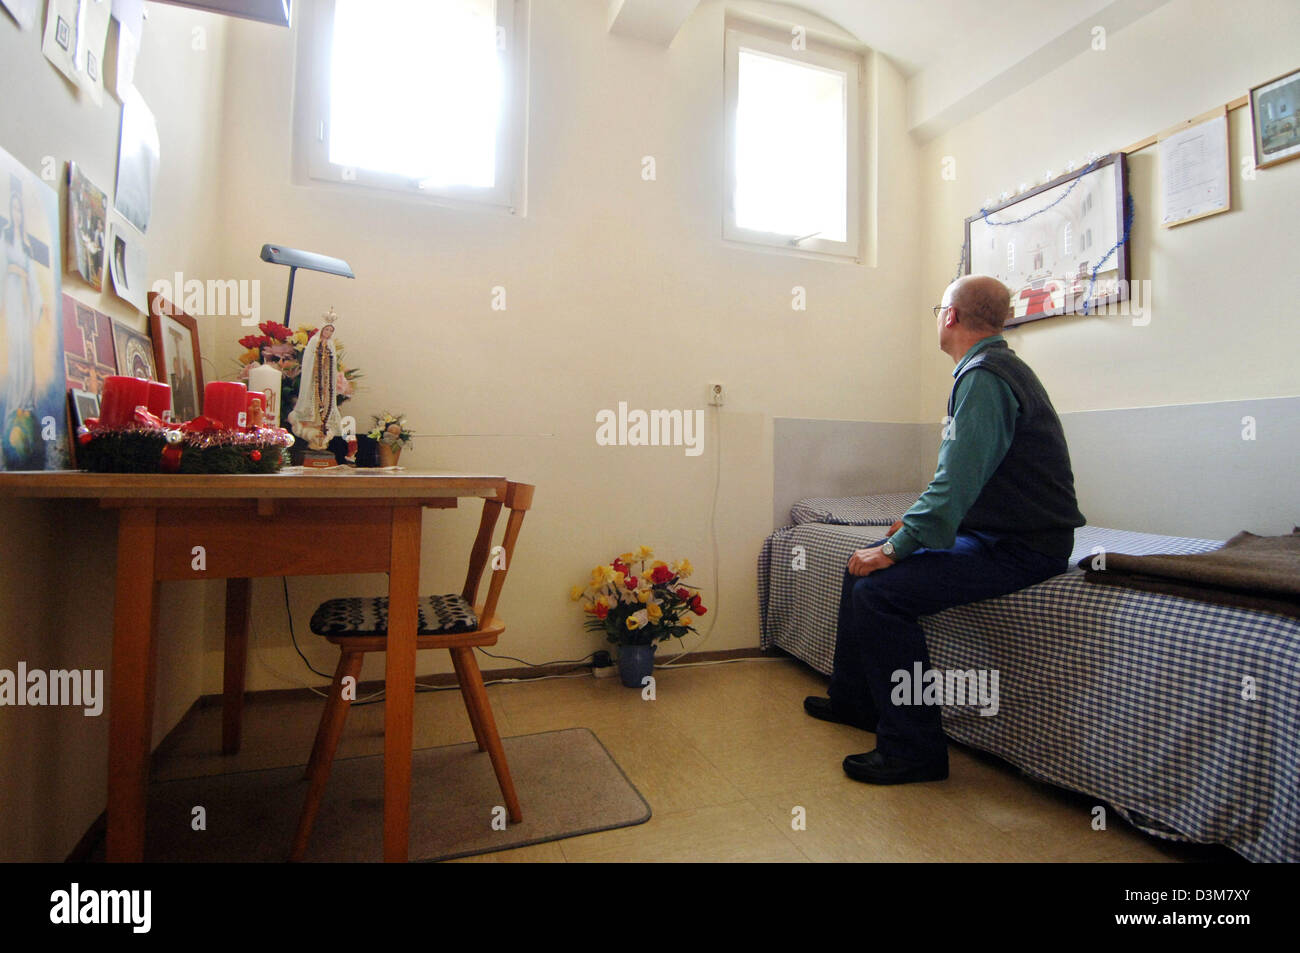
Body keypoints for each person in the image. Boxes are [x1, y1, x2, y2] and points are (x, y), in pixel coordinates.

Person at [804, 274, 1085, 784]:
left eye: (939, 308)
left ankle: (914, 751)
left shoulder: (985, 377)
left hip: (1023, 548)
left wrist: (901, 545)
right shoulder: (993, 368)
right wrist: (904, 530)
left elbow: (955, 482)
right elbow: (969, 480)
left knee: (879, 594)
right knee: (860, 562)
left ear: (950, 316)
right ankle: (855, 702)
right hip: (996, 533)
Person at [288, 309, 343, 450]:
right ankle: (310, 425)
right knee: (312, 401)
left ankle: (321, 427)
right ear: (322, 329)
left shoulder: (330, 345)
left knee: (324, 403)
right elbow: (308, 361)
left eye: (331, 331)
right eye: (327, 330)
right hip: (314, 379)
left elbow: (333, 364)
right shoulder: (314, 341)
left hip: (325, 381)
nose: (329, 333)